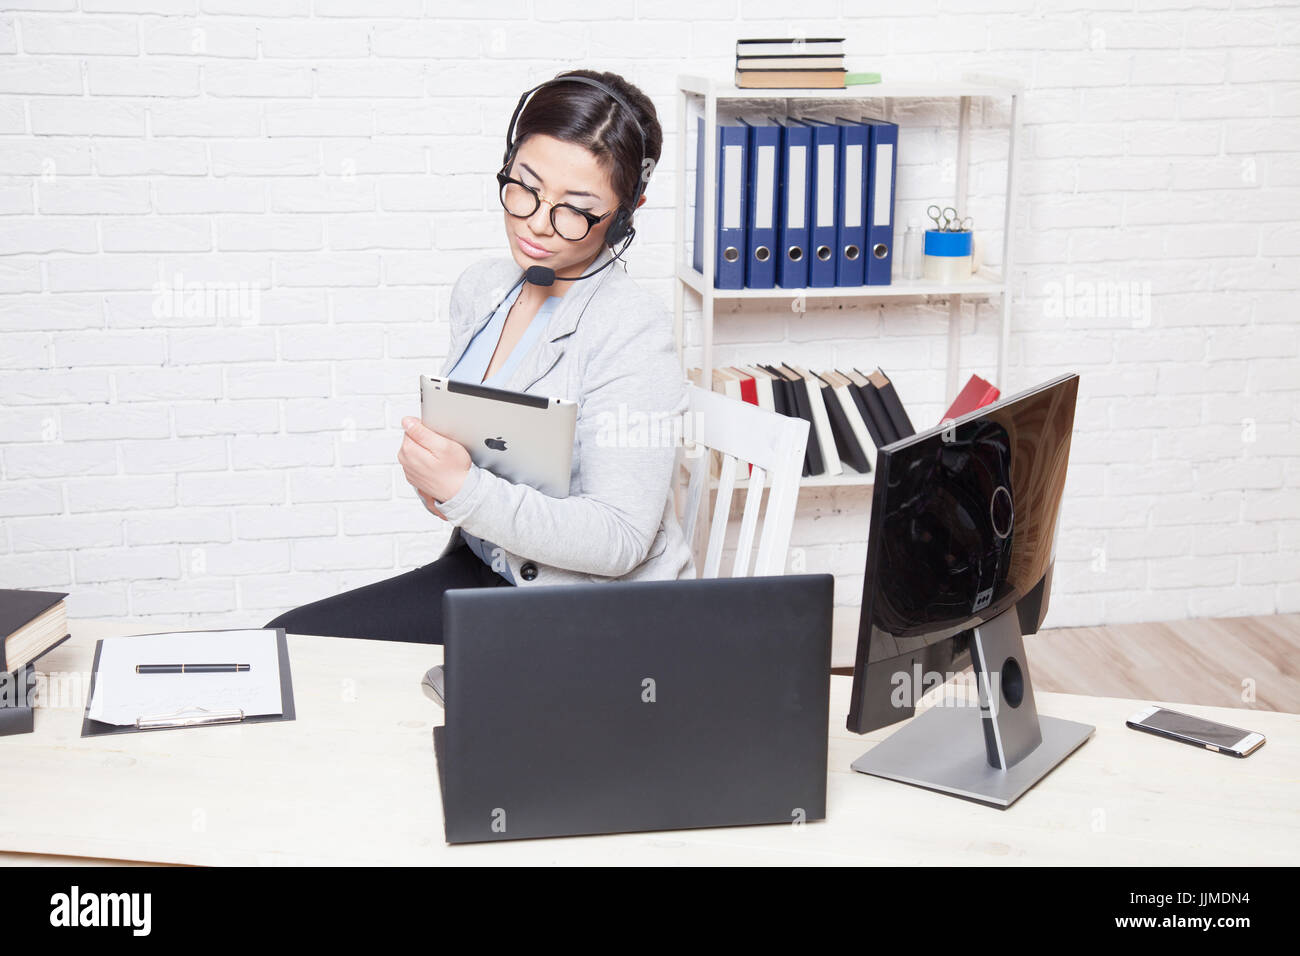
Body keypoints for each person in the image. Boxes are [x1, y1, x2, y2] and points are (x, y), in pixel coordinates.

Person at [264, 69, 694, 644]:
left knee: (303, 654)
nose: (538, 223)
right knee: (286, 642)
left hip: (583, 613)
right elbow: (482, 460)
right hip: (482, 572)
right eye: (526, 186)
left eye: (576, 208)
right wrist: (438, 480)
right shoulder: (484, 289)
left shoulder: (631, 329)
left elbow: (620, 540)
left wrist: (464, 490)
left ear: (624, 212)